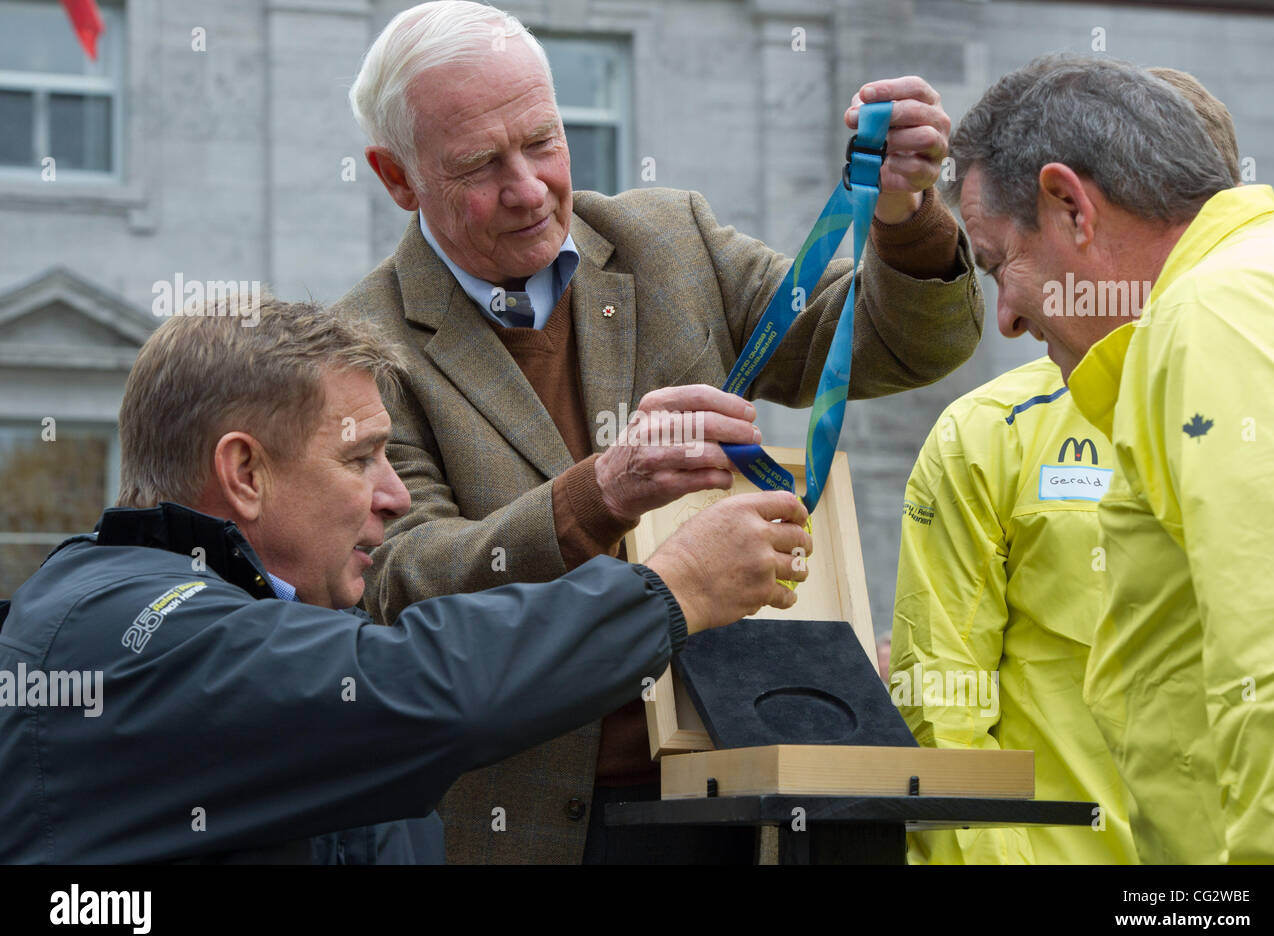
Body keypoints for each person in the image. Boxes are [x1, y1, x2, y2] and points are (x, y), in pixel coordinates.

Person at [337, 0, 983, 864]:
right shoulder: (358, 349)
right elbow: (403, 587)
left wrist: (908, 216)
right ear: (397, 177)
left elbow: (900, 345)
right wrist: (597, 494)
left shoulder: (668, 239)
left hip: (736, 802)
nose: (528, 187)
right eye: (479, 166)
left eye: (542, 142)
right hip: (521, 827)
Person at [0, 299, 811, 864]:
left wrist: (605, 497)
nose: (393, 494)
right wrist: (670, 588)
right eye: (359, 457)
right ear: (244, 472)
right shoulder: (131, 629)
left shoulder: (214, 617)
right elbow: (421, 684)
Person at [947, 53, 1274, 864]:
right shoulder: (1251, 289)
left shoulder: (1216, 316)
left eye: (1001, 264)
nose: (1004, 317)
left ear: (1070, 205)